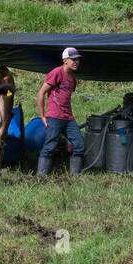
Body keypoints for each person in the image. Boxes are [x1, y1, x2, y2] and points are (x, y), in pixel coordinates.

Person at [37, 47, 84, 176]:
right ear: (65, 60)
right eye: (73, 59)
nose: (76, 62)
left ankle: (74, 176)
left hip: (68, 117)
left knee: (79, 145)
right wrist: (42, 116)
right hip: (54, 115)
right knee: (51, 145)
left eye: (77, 59)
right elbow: (41, 93)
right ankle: (41, 176)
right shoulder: (56, 73)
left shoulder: (73, 78)